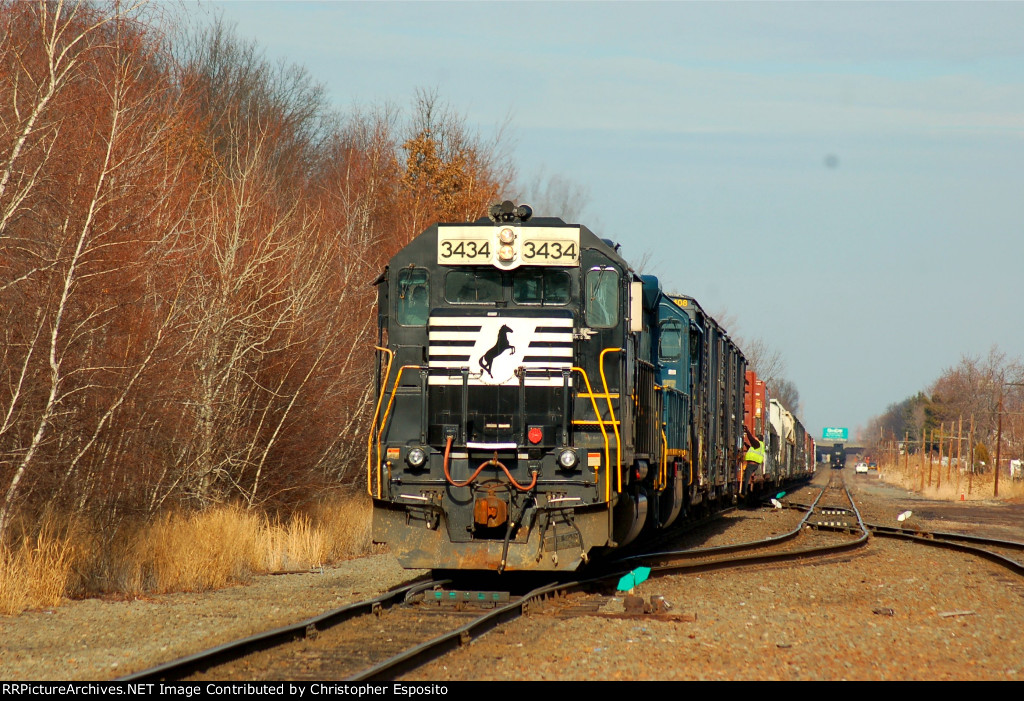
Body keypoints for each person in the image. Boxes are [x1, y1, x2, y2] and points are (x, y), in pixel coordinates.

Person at [741, 425, 766, 493]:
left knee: (746, 477)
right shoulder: (759, 445)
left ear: (758, 439)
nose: (755, 438)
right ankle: (744, 490)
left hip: (752, 464)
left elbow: (751, 439)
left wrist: (747, 431)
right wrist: (745, 444)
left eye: (756, 438)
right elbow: (751, 448)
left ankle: (744, 492)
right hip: (754, 464)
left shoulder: (757, 444)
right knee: (746, 476)